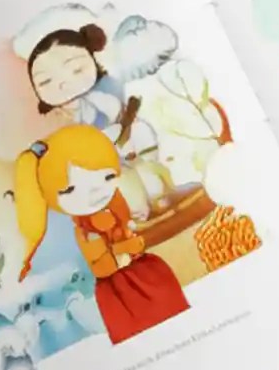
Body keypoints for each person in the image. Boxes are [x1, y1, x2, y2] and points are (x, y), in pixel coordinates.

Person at [15, 125, 189, 344]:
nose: (96, 191)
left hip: (146, 270)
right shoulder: (85, 231)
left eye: (107, 177)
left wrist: (130, 242)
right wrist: (127, 247)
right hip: (120, 290)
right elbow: (103, 262)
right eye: (71, 190)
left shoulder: (118, 206)